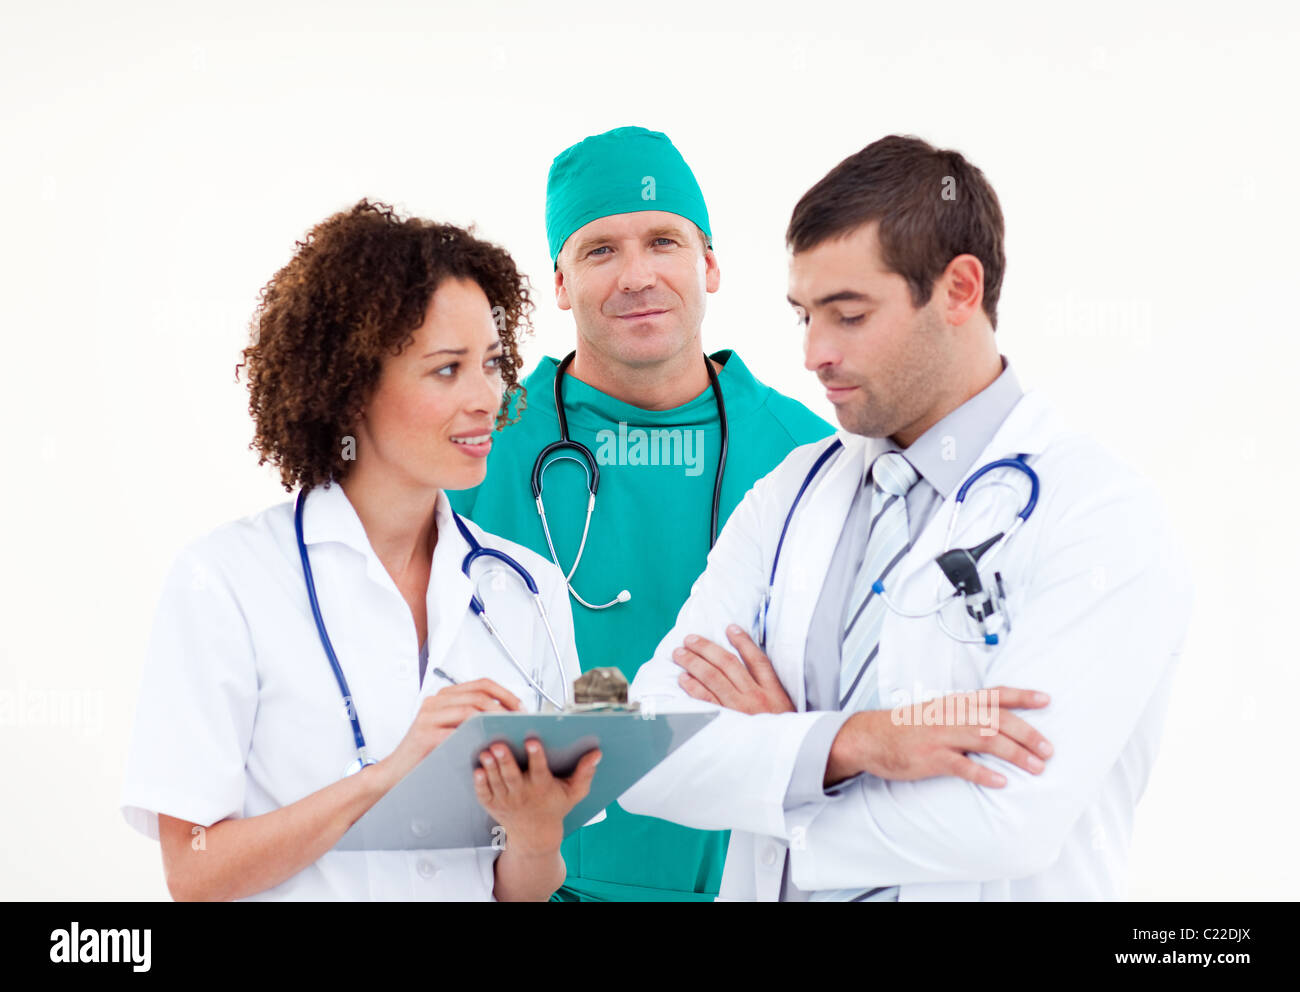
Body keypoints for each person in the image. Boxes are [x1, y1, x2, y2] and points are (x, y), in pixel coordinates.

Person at [621, 135, 1193, 900]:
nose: (814, 354)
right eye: (804, 317)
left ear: (959, 290)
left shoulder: (1098, 516)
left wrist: (777, 762)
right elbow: (644, 750)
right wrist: (853, 742)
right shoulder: (789, 493)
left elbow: (1007, 818)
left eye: (849, 315)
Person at [120, 199, 600, 901]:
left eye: (493, 364)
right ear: (351, 389)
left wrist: (535, 835)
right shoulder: (224, 581)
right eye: (446, 370)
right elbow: (194, 871)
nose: (488, 398)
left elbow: (520, 889)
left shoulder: (525, 586)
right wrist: (389, 775)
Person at [448, 125, 834, 902]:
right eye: (599, 251)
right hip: (516, 882)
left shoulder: (811, 455)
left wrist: (803, 722)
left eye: (663, 241)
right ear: (558, 282)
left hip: (746, 881)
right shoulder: (477, 442)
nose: (636, 276)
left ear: (711, 265)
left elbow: (872, 684)